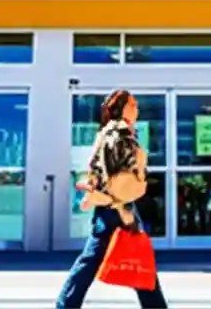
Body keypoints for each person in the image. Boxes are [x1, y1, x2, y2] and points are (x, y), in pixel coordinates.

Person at [57, 90, 167, 308]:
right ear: (122, 108)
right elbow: (114, 174)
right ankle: (65, 304)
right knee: (94, 259)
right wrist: (120, 203)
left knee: (134, 256)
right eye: (133, 104)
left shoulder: (117, 132)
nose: (137, 108)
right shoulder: (118, 134)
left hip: (116, 204)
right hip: (116, 206)